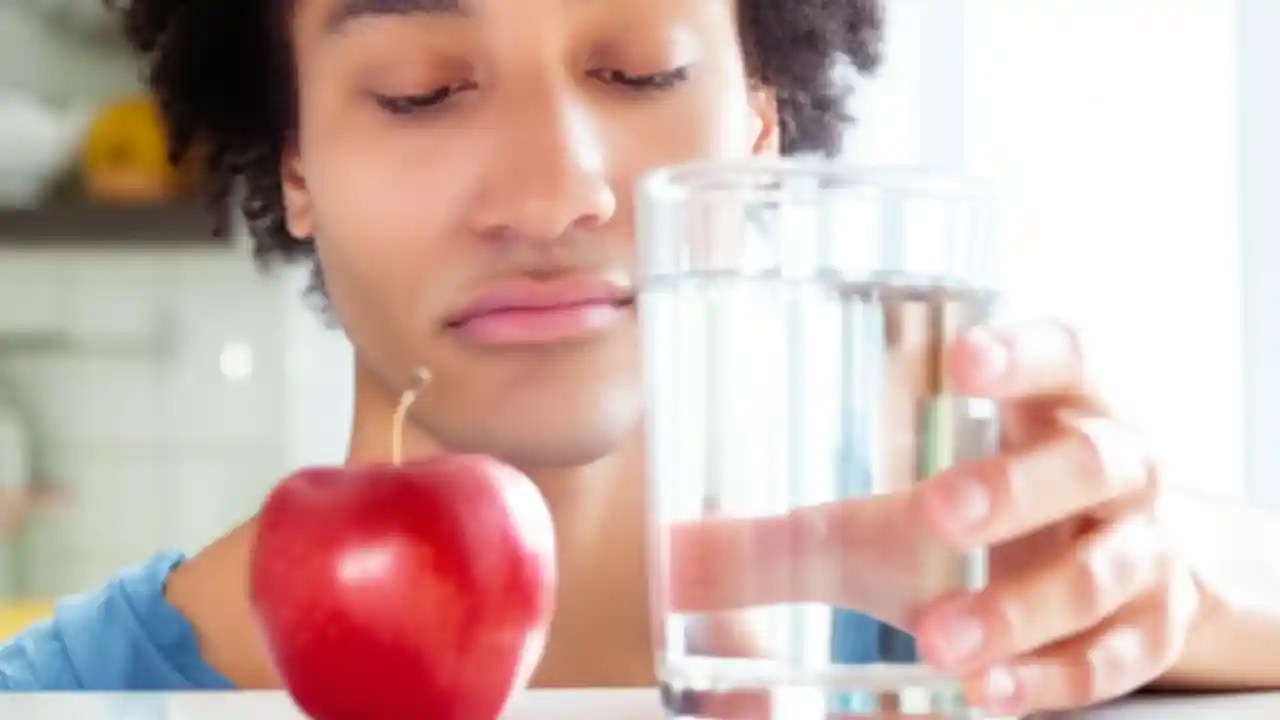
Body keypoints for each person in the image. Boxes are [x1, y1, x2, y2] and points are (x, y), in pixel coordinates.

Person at [3, 0, 1280, 715]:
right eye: (418, 90)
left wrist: (1191, 595)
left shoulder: (969, 635)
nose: (552, 193)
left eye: (638, 69)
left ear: (762, 127)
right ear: (296, 168)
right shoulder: (63, 701)